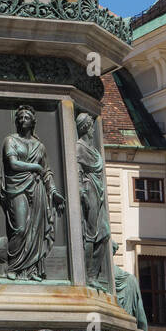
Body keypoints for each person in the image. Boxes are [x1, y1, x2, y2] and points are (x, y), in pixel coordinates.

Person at [0, 105, 63, 280]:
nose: (22, 120)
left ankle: (31, 270)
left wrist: (54, 191)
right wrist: (35, 167)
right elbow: (13, 164)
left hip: (37, 189)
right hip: (16, 187)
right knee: (20, 228)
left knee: (36, 230)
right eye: (19, 117)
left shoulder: (40, 146)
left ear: (33, 121)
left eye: (26, 117)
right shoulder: (10, 140)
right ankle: (13, 266)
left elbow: (47, 171)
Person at [76, 112, 112, 290]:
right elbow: (77, 169)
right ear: (85, 128)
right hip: (89, 189)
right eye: (90, 126)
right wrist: (82, 191)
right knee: (90, 234)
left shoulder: (95, 151)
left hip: (98, 191)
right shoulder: (79, 147)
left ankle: (93, 274)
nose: (92, 130)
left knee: (104, 233)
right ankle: (87, 275)